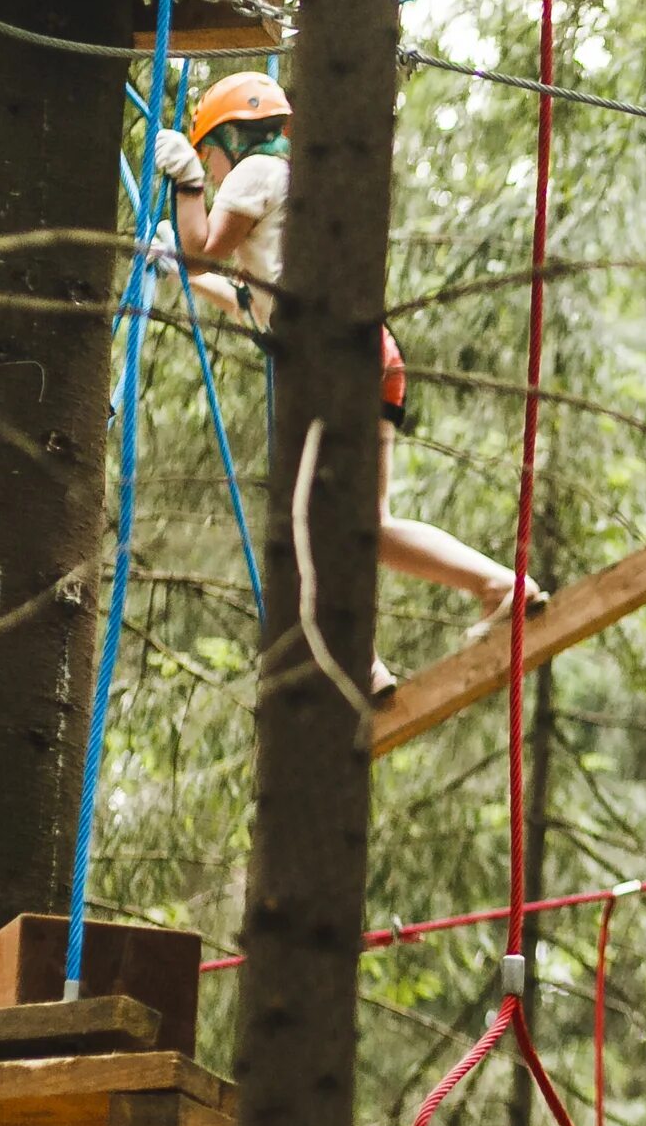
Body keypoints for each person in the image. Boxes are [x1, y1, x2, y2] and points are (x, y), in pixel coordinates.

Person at [152, 72, 542, 696]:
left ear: (231, 138)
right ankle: (500, 587)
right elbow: (247, 296)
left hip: (334, 366)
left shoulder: (254, 174)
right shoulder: (296, 190)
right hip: (369, 355)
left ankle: (358, 663)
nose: (212, 170)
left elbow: (205, 252)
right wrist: (184, 272)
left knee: (311, 521)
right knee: (369, 524)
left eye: (210, 156)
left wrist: (187, 187)